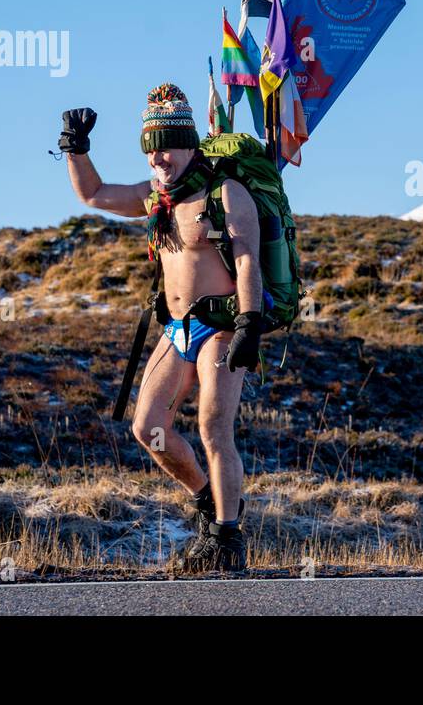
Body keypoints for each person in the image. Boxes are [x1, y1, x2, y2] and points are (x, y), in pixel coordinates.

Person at [57, 83, 262, 572]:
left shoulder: (225, 194)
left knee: (214, 427)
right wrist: (76, 148)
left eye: (165, 146)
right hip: (176, 331)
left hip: (220, 326)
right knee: (147, 429)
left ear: (189, 144)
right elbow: (94, 194)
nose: (158, 158)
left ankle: (228, 540)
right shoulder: (155, 198)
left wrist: (251, 322)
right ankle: (208, 503)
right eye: (150, 149)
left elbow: (248, 259)